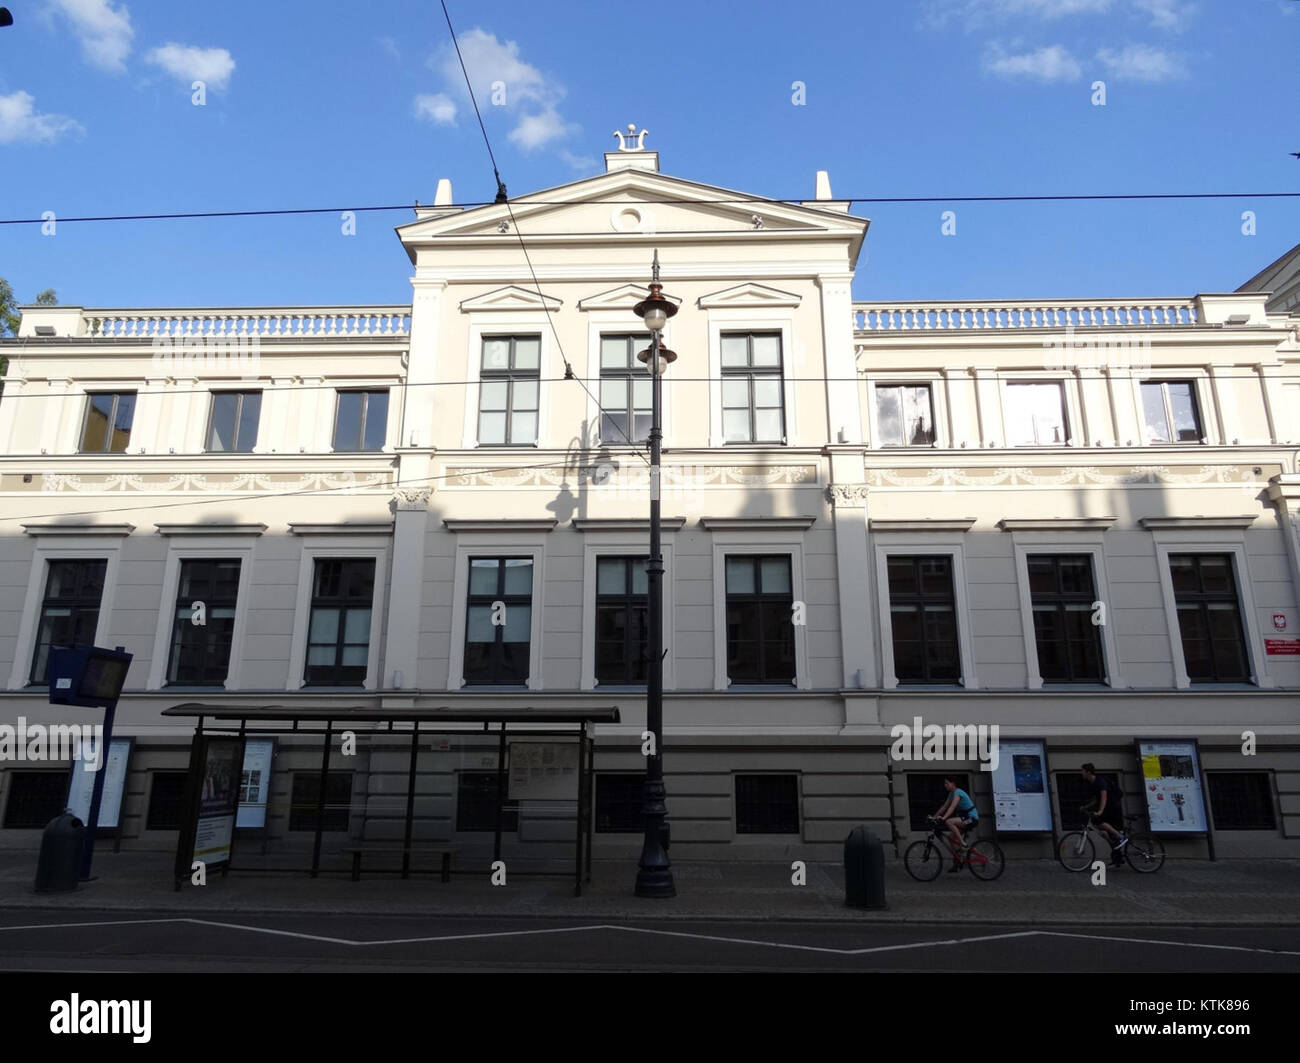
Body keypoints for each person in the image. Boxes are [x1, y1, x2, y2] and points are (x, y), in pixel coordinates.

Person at [1081, 763, 1127, 867]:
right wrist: (1086, 807)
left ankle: (1121, 837)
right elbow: (1097, 800)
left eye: (1082, 771)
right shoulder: (1092, 783)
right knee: (1111, 837)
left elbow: (1104, 797)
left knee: (1099, 821)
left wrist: (1100, 811)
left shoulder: (1100, 781)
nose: (1081, 773)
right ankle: (1117, 859)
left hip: (1113, 807)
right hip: (1109, 807)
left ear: (1088, 772)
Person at [931, 776, 979, 873]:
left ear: (953, 784)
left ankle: (962, 843)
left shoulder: (958, 793)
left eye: (946, 783)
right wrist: (934, 817)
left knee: (949, 822)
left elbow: (952, 808)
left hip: (972, 819)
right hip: (965, 819)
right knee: (951, 838)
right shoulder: (951, 794)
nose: (945, 785)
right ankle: (958, 861)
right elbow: (944, 807)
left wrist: (944, 818)